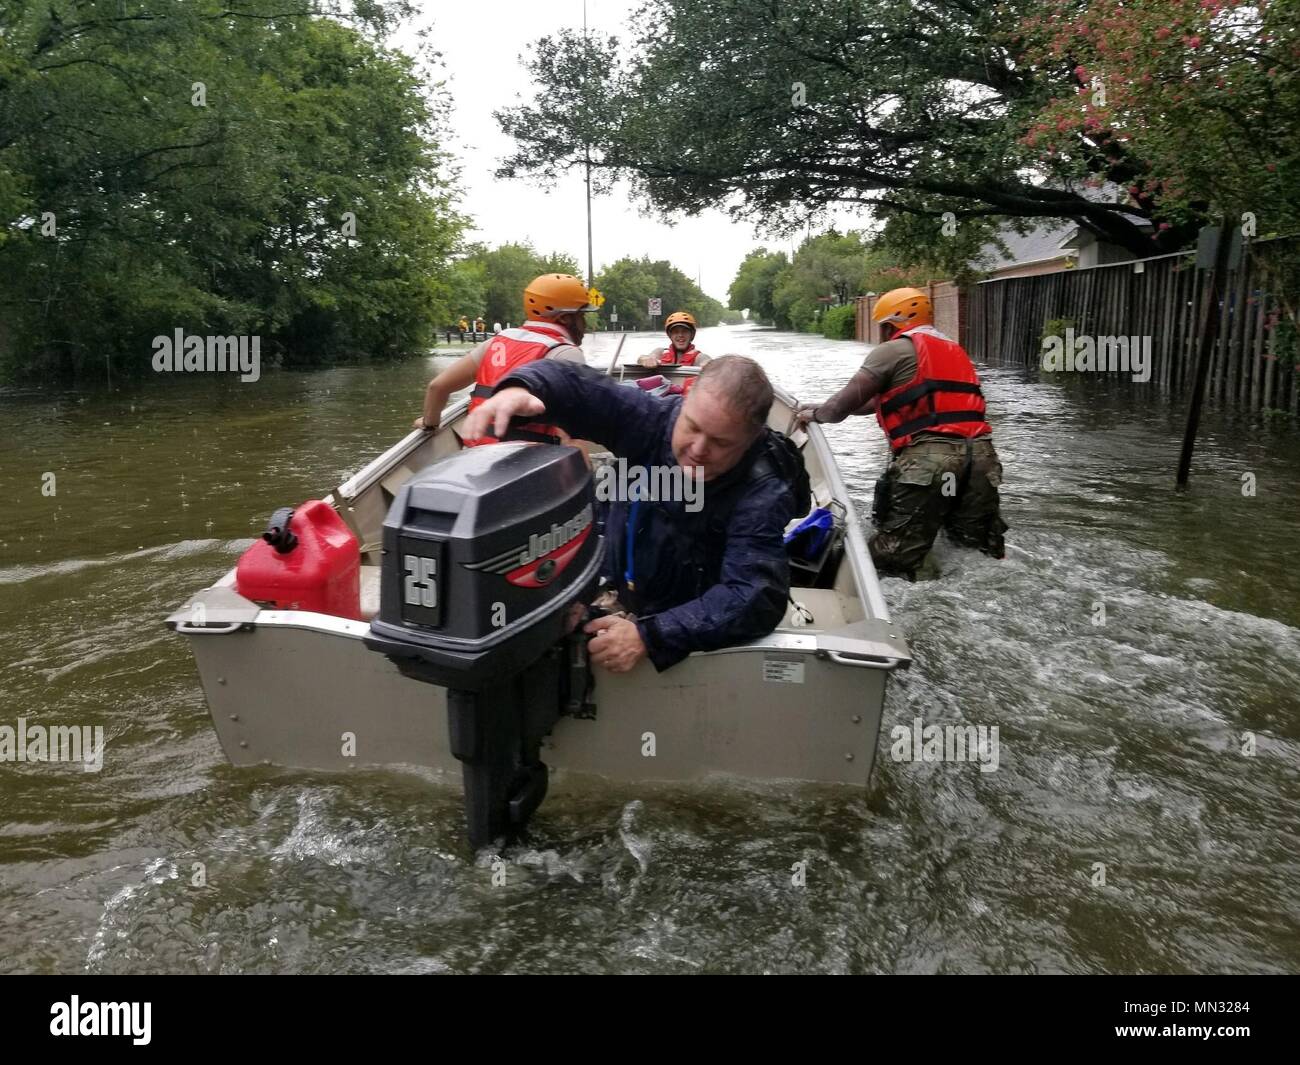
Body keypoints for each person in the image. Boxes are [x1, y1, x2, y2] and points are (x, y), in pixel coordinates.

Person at [461, 356, 804, 674]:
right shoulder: (652, 420)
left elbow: (755, 597)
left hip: (687, 616)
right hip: (622, 582)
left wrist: (651, 635)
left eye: (720, 442)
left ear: (749, 441)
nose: (697, 450)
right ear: (684, 403)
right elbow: (580, 387)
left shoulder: (762, 490)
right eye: (692, 426)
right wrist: (523, 386)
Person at [795, 287, 1007, 579]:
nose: (882, 333)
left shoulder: (891, 350)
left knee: (890, 558)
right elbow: (885, 401)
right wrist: (826, 407)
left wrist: (816, 414)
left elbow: (840, 407)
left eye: (883, 327)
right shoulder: (954, 350)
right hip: (980, 459)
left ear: (891, 324)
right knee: (972, 550)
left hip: (931, 463)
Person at [415, 274, 593, 436]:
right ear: (564, 318)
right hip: (534, 461)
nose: (585, 324)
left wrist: (429, 424)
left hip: (476, 456)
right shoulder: (567, 354)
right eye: (582, 316)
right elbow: (575, 437)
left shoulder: (496, 342)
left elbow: (437, 387)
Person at [637, 311, 710, 368]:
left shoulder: (699, 357)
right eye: (676, 332)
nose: (680, 335)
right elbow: (642, 358)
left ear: (692, 334)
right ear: (670, 335)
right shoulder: (660, 352)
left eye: (684, 331)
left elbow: (708, 362)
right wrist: (646, 360)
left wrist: (708, 365)